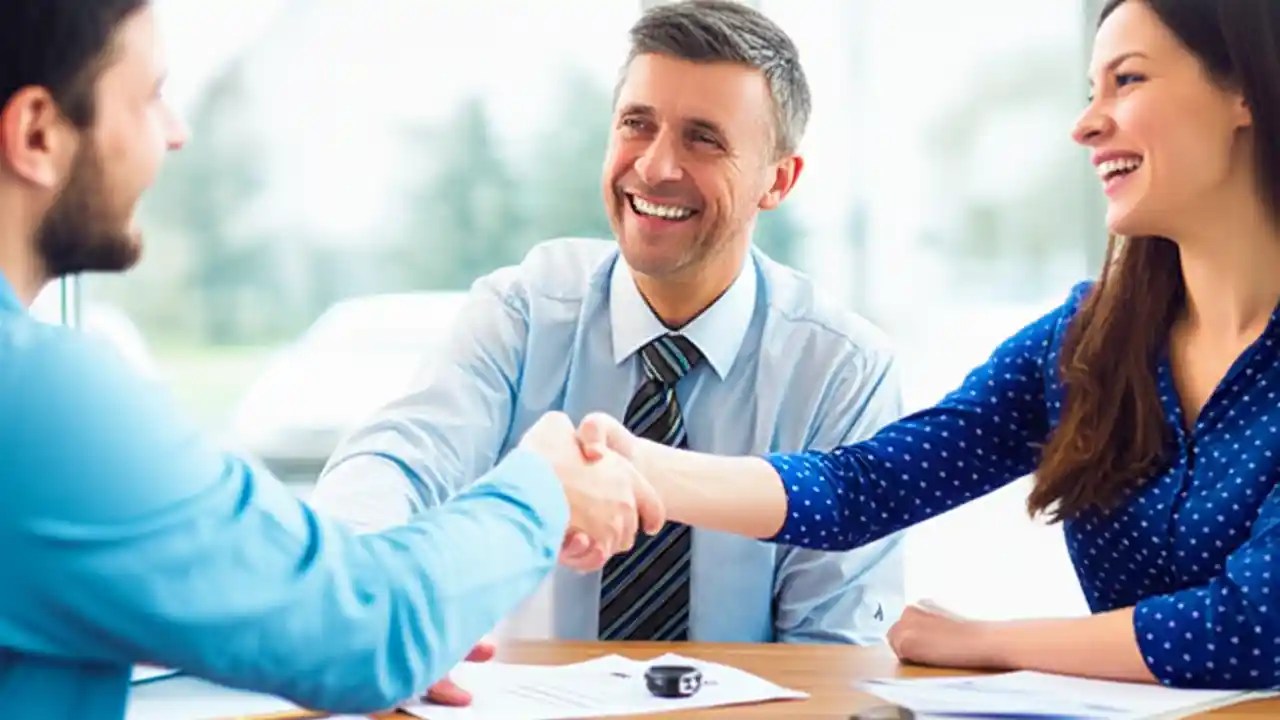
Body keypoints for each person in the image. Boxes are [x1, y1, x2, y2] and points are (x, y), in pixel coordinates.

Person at [569, 0, 1280, 690]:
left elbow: (1252, 626)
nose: (1087, 124)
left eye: (1128, 80)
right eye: (1091, 91)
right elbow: (865, 488)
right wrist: (644, 467)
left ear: (1244, 88)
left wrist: (984, 643)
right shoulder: (1089, 343)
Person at [0, 3, 660, 718]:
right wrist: (546, 490)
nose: (175, 131)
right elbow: (365, 623)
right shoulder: (40, 400)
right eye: (150, 96)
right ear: (38, 133)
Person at [310, 0, 905, 646]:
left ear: (778, 180)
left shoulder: (841, 370)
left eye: (703, 138)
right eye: (636, 124)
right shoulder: (524, 313)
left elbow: (834, 649)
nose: (654, 167)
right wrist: (376, 602)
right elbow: (393, 464)